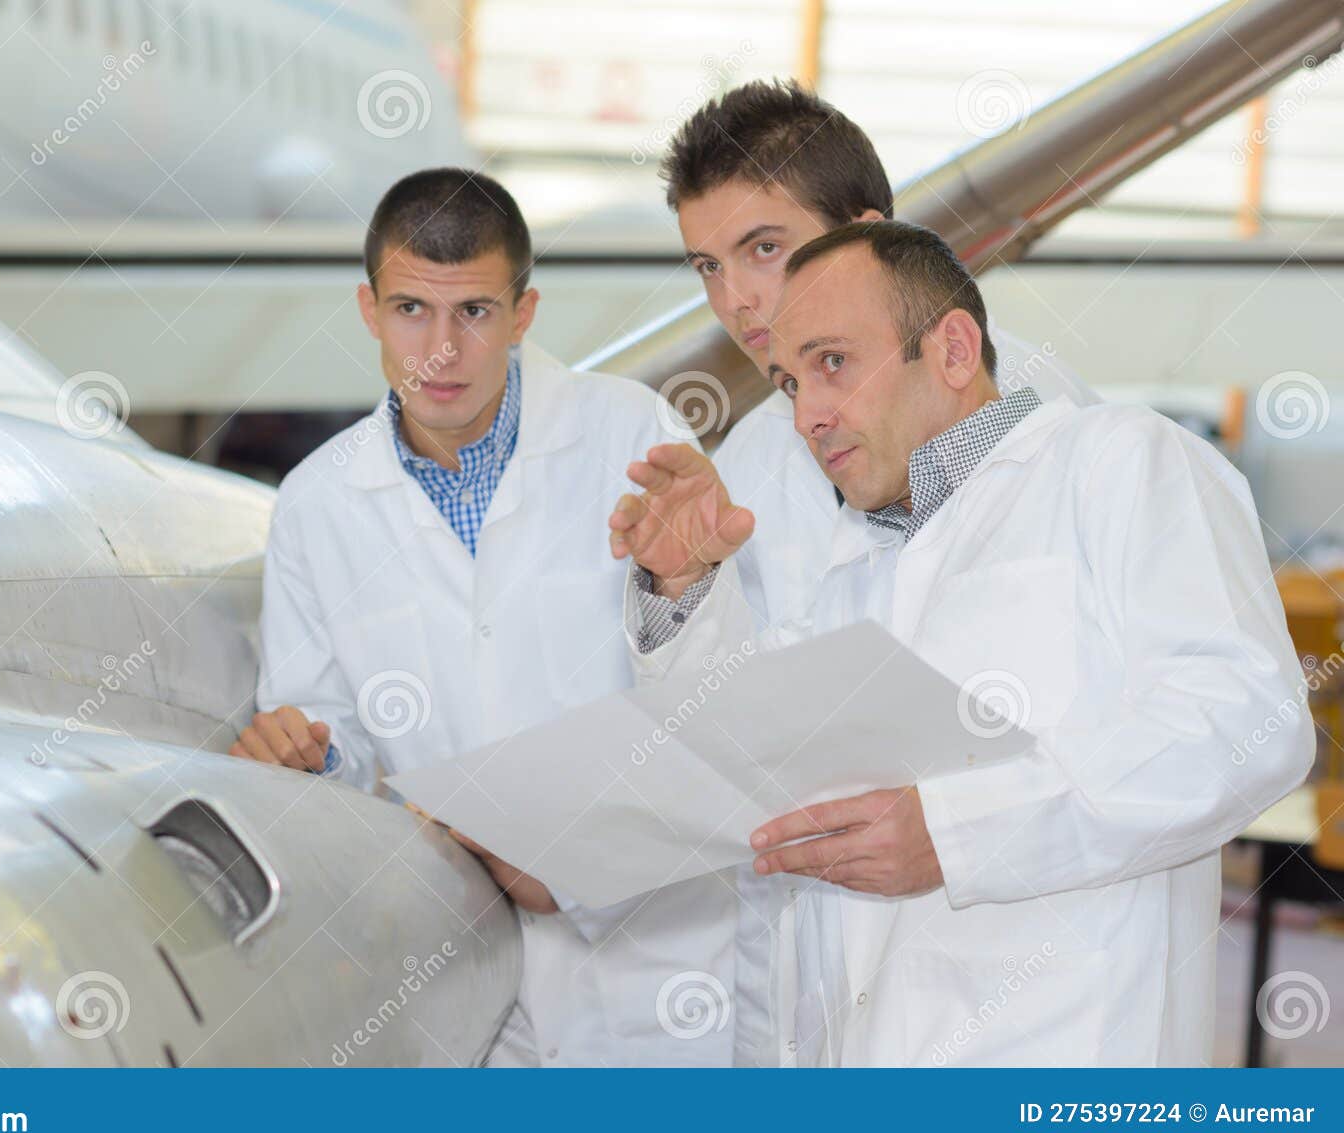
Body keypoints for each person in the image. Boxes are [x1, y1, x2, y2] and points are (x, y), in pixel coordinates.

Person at [608, 218, 1312, 1065]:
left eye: (832, 363)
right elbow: (749, 748)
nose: (808, 416)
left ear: (950, 348)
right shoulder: (862, 562)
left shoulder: (1121, 461)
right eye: (788, 383)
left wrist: (961, 833)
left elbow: (1242, 725)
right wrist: (681, 585)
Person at [236, 167, 738, 1066]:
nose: (440, 351)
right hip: (462, 973)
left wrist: (678, 592)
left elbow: (714, 703)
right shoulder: (317, 502)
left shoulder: (633, 438)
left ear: (523, 313)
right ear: (368, 307)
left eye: (472, 312)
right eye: (410, 311)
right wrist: (307, 749)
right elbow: (335, 728)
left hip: (653, 968)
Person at [654, 79, 1101, 1065]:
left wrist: (965, 835)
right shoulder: (753, 464)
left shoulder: (1056, 440)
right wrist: (676, 591)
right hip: (820, 997)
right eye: (706, 266)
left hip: (1023, 1000)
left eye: (763, 249)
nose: (736, 300)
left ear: (869, 234)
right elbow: (736, 721)